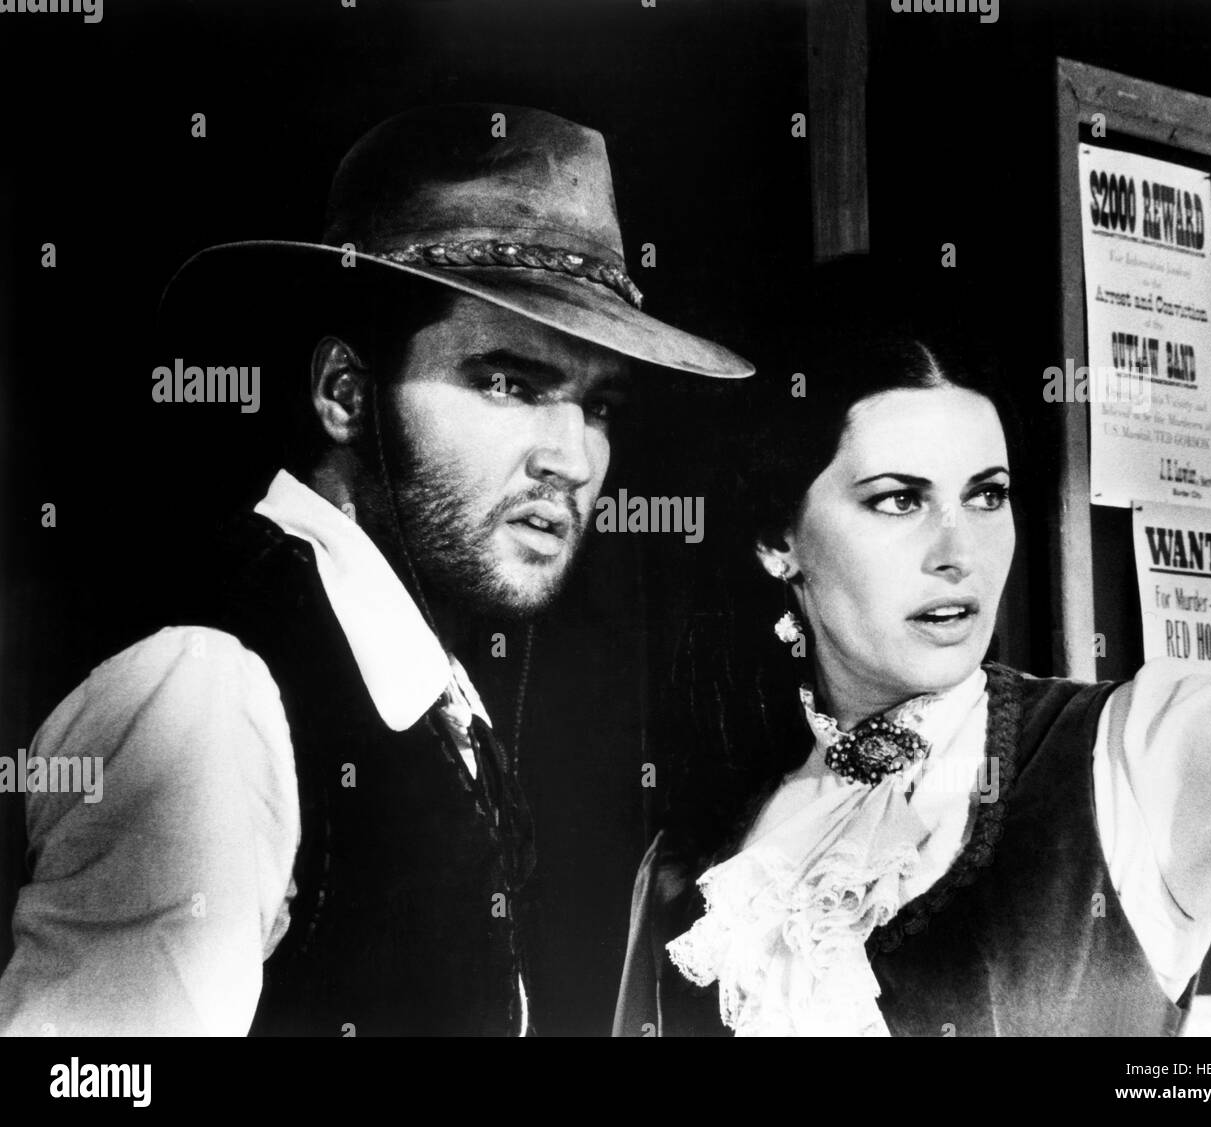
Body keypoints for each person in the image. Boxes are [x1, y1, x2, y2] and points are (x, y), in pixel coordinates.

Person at [0, 104, 751, 1037]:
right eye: (506, 382)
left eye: (596, 406)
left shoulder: (413, 681)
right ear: (345, 395)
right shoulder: (212, 691)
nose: (572, 457)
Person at [613, 308, 1211, 1037]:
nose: (959, 552)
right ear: (777, 540)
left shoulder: (1131, 754)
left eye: (987, 495)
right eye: (899, 499)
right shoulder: (690, 866)